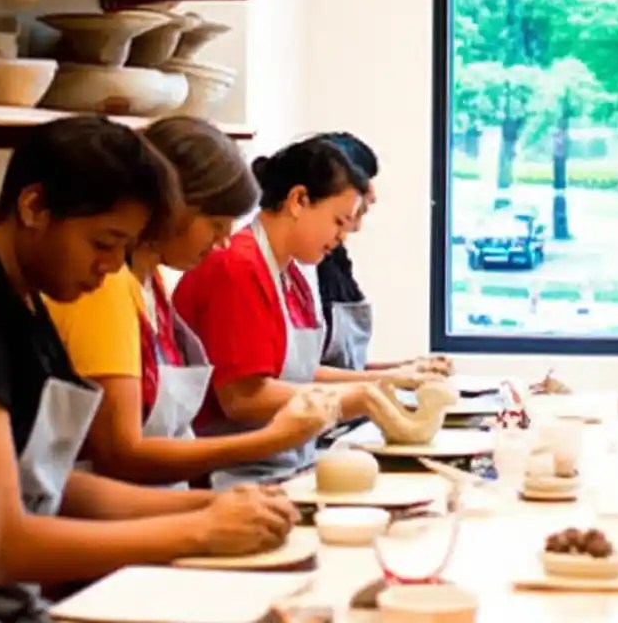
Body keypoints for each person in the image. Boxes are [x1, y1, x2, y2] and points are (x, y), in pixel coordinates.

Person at [0, 116, 297, 622]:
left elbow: (53, 485)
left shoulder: (25, 298)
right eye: (103, 243)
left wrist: (216, 505)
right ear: (34, 207)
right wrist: (198, 531)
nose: (112, 267)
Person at [44, 118, 335, 487]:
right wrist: (271, 439)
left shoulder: (154, 285)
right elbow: (121, 454)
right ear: (170, 207)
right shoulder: (107, 288)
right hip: (106, 518)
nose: (224, 240)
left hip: (165, 500)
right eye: (215, 223)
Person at [172, 137, 435, 489]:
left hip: (282, 463)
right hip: (230, 474)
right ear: (299, 201)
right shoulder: (236, 267)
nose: (343, 236)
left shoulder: (290, 275)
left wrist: (388, 381)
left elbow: (297, 372)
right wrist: (356, 400)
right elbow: (243, 400)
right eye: (339, 221)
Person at [311, 132, 448, 374]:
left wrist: (408, 369)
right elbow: (300, 375)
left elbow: (347, 368)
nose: (354, 227)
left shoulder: (335, 262)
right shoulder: (298, 267)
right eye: (345, 217)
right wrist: (391, 377)